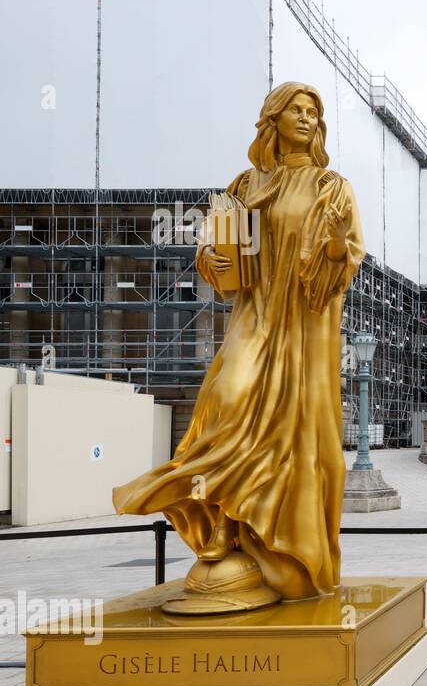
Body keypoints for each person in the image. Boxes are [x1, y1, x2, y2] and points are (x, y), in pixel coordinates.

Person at [113, 82, 366, 612]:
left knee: (292, 432)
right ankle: (220, 525)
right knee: (226, 403)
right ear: (272, 120)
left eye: (312, 113)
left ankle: (261, 545)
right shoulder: (244, 186)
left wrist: (339, 243)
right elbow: (219, 257)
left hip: (303, 333)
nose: (305, 118)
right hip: (252, 320)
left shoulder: (332, 188)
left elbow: (338, 272)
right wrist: (214, 259)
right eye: (295, 110)